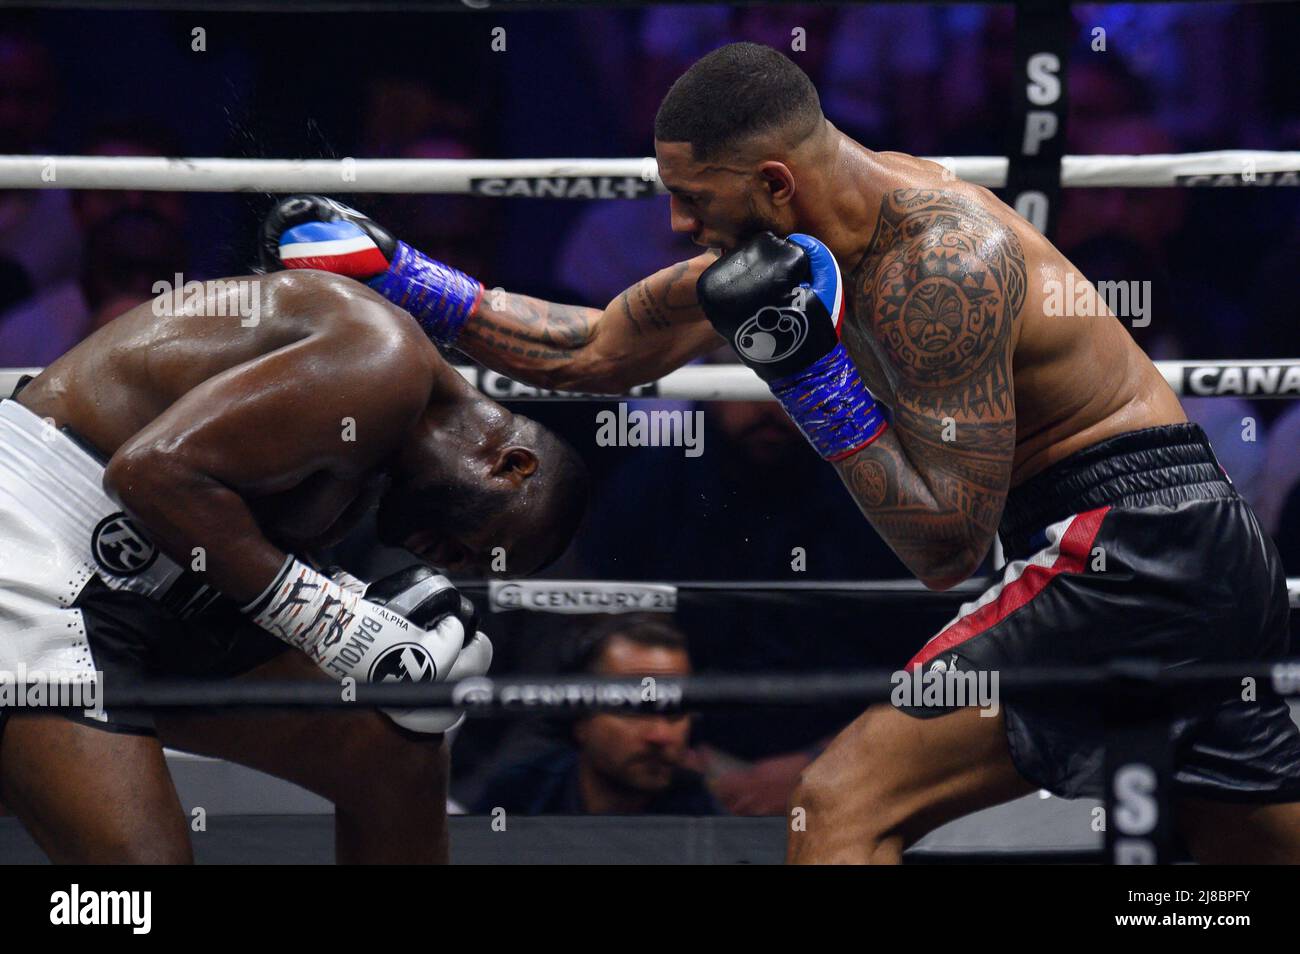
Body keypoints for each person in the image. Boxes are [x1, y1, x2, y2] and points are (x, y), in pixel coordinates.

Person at [261, 42, 1300, 863]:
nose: (673, 222)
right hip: (1181, 552)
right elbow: (594, 351)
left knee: (835, 805)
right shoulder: (779, 251)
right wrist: (397, 271)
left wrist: (811, 379)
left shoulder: (940, 266)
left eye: (691, 198)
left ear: (772, 180)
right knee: (1244, 852)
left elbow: (944, 545)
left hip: (1123, 541)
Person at [0, 268, 588, 863]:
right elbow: (149, 474)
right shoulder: (385, 363)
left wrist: (360, 620)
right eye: (479, 548)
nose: (452, 563)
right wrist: (334, 626)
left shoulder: (376, 446)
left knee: (395, 756)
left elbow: (227, 532)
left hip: (156, 587)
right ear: (510, 466)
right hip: (43, 546)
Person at [473, 615, 719, 816]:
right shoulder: (517, 799)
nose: (660, 735)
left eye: (675, 711)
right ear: (580, 717)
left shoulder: (702, 819)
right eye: (632, 708)